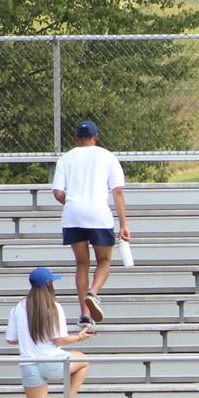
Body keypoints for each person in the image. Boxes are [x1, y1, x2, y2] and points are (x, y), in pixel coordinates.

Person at [48, 119, 129, 322]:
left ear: (76, 138)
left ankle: (84, 313)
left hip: (73, 214)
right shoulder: (107, 157)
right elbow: (117, 191)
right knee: (104, 261)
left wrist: (72, 202)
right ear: (96, 137)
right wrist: (124, 224)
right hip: (98, 213)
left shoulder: (66, 158)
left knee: (81, 263)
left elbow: (58, 193)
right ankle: (93, 293)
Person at [5, 267, 95, 398]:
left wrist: (27, 336)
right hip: (53, 361)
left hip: (29, 364)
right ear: (48, 284)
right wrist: (80, 337)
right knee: (83, 360)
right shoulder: (53, 307)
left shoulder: (18, 307)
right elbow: (59, 339)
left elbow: (11, 340)